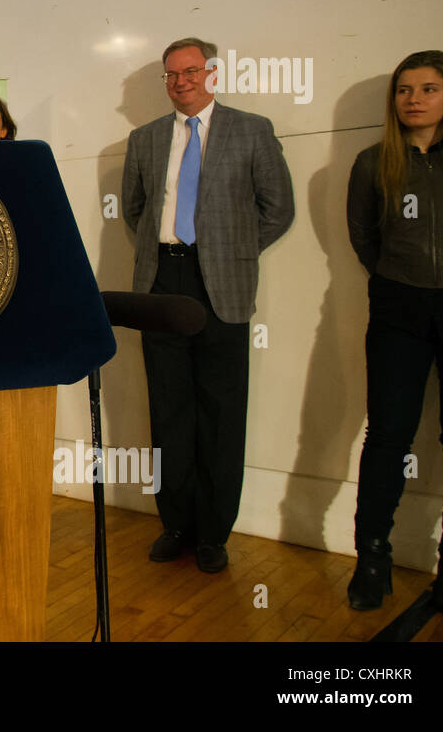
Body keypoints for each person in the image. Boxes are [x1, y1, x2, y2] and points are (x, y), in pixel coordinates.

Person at [121, 36, 294, 574]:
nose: (181, 82)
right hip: (163, 281)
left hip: (223, 283)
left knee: (220, 411)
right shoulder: (145, 138)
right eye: (172, 75)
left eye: (191, 71)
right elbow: (135, 212)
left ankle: (214, 534)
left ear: (211, 73)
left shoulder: (251, 130)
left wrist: (231, 252)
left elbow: (278, 208)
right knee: (169, 408)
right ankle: (176, 523)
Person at [345, 49, 443, 614]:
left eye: (428, 88)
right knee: (389, 436)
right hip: (398, 307)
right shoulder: (373, 162)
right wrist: (399, 283)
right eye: (404, 89)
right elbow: (364, 238)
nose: (414, 99)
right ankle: (372, 557)